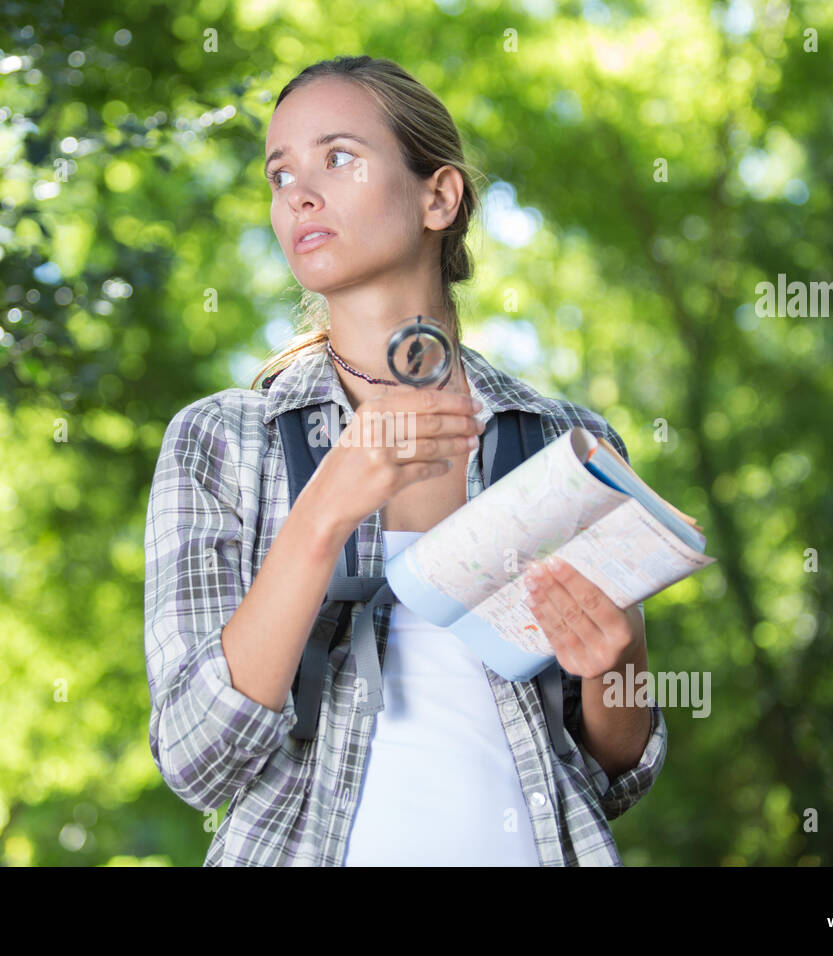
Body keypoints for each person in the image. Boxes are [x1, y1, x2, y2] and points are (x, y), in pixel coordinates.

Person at [143, 55, 666, 866]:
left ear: (439, 195)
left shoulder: (563, 442)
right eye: (280, 175)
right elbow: (195, 758)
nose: (299, 195)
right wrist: (323, 514)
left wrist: (616, 660)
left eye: (338, 158)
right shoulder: (223, 440)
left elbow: (615, 774)